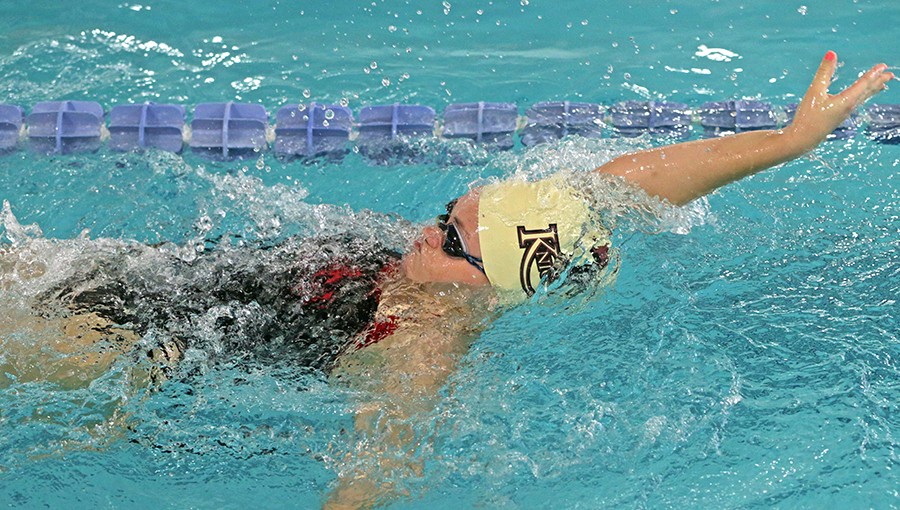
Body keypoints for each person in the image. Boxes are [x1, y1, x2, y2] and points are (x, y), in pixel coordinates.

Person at [0, 52, 891, 508]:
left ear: (489, 286)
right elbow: (629, 185)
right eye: (444, 215)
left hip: (134, 353)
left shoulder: (423, 343)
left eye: (451, 243)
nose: (427, 234)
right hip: (153, 276)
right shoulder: (524, 236)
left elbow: (375, 471)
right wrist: (788, 142)